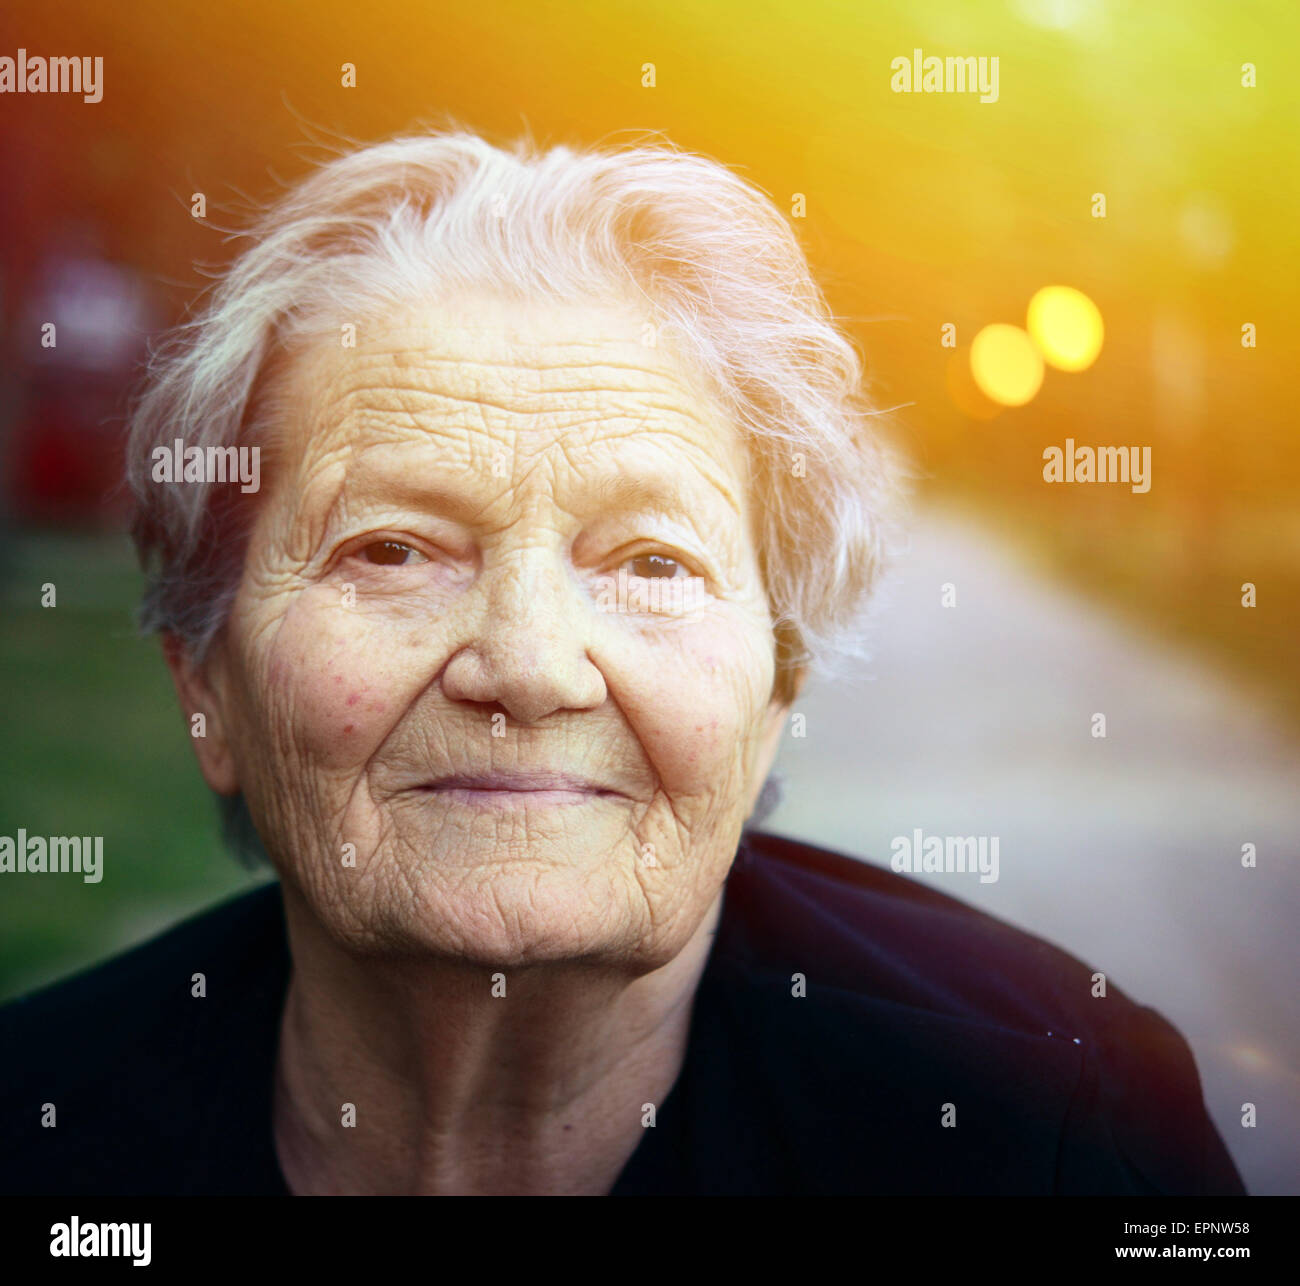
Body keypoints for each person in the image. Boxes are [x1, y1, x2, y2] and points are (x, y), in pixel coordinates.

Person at [0, 128, 1245, 1195]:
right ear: (202, 681)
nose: (530, 665)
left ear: (775, 688)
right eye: (392, 550)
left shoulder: (1063, 1131)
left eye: (651, 563)